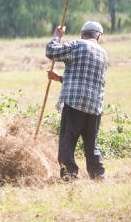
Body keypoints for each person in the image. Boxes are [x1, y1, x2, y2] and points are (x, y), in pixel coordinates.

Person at [46, 21, 108, 181]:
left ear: (82, 35)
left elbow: (51, 51)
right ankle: (98, 176)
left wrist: (57, 36)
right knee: (91, 145)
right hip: (95, 107)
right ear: (98, 37)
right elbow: (87, 80)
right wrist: (60, 78)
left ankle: (70, 176)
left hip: (75, 103)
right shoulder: (103, 54)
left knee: (67, 141)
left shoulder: (78, 44)